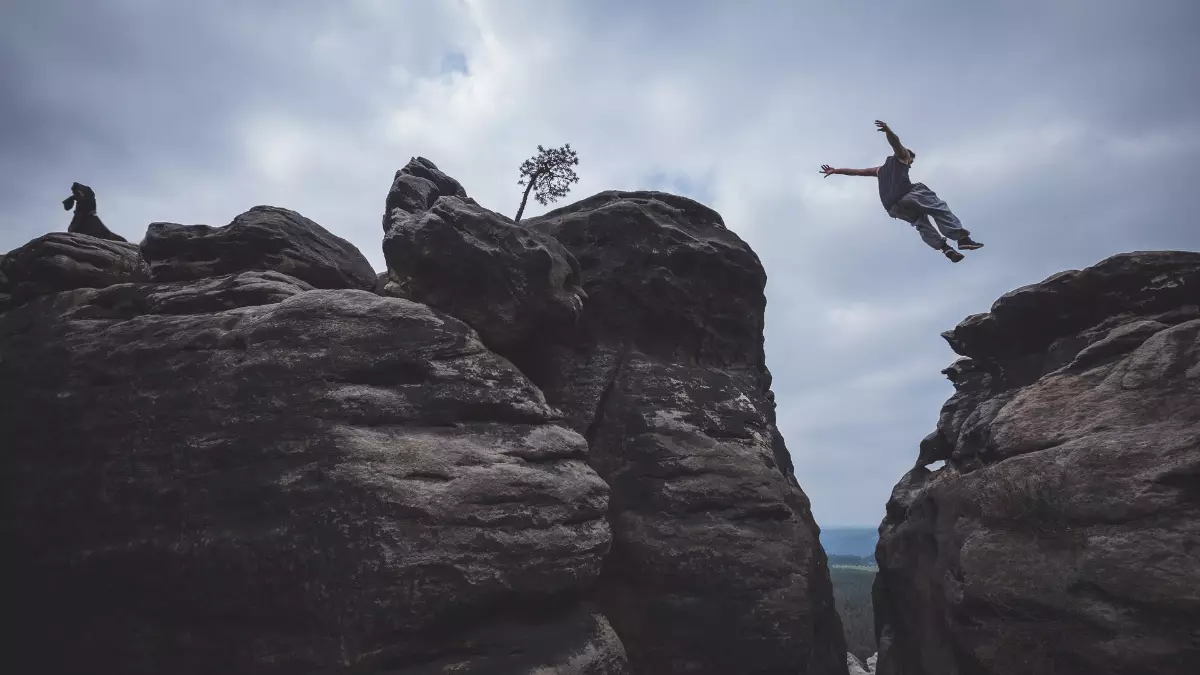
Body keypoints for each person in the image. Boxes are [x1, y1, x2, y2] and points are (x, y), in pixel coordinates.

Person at [820, 120, 983, 263]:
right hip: (907, 194)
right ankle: (962, 239)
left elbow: (857, 171)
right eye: (911, 161)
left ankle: (945, 248)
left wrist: (836, 170)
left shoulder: (879, 170)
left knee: (921, 222)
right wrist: (888, 131)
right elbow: (896, 144)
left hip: (893, 208)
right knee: (938, 207)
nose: (910, 164)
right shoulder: (903, 156)